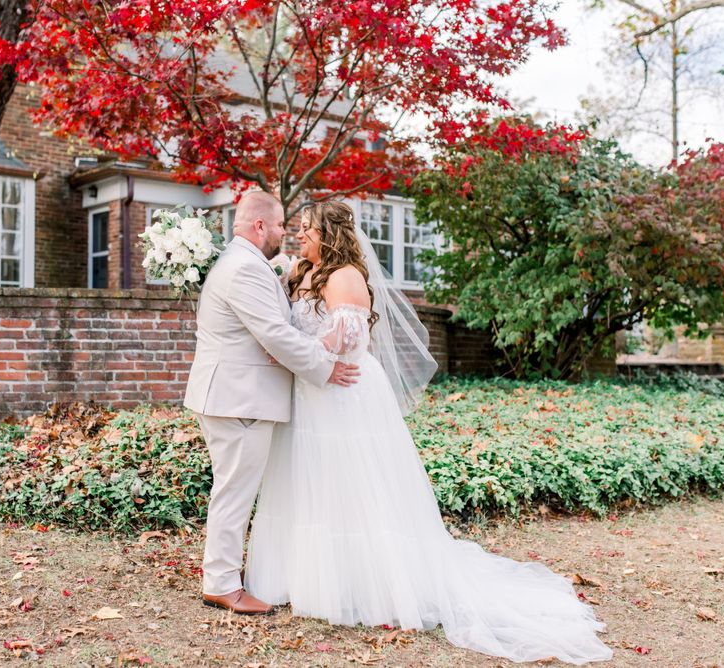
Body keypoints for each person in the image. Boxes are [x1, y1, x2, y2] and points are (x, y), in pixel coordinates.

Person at [243, 200, 614, 665]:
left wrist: (292, 354)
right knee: (308, 483)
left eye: (307, 229)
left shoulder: (346, 278)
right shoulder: (298, 270)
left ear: (330, 233)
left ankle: (362, 581)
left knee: (352, 487)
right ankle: (304, 575)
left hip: (344, 393)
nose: (299, 235)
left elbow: (345, 341)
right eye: (295, 228)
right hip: (311, 393)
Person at [183, 191, 360, 615]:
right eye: (282, 225)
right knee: (234, 492)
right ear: (260, 226)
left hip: (236, 393)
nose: (287, 233)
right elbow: (276, 334)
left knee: (234, 489)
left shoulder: (246, 264)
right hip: (239, 398)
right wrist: (324, 367)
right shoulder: (244, 268)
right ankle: (222, 584)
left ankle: (223, 577)